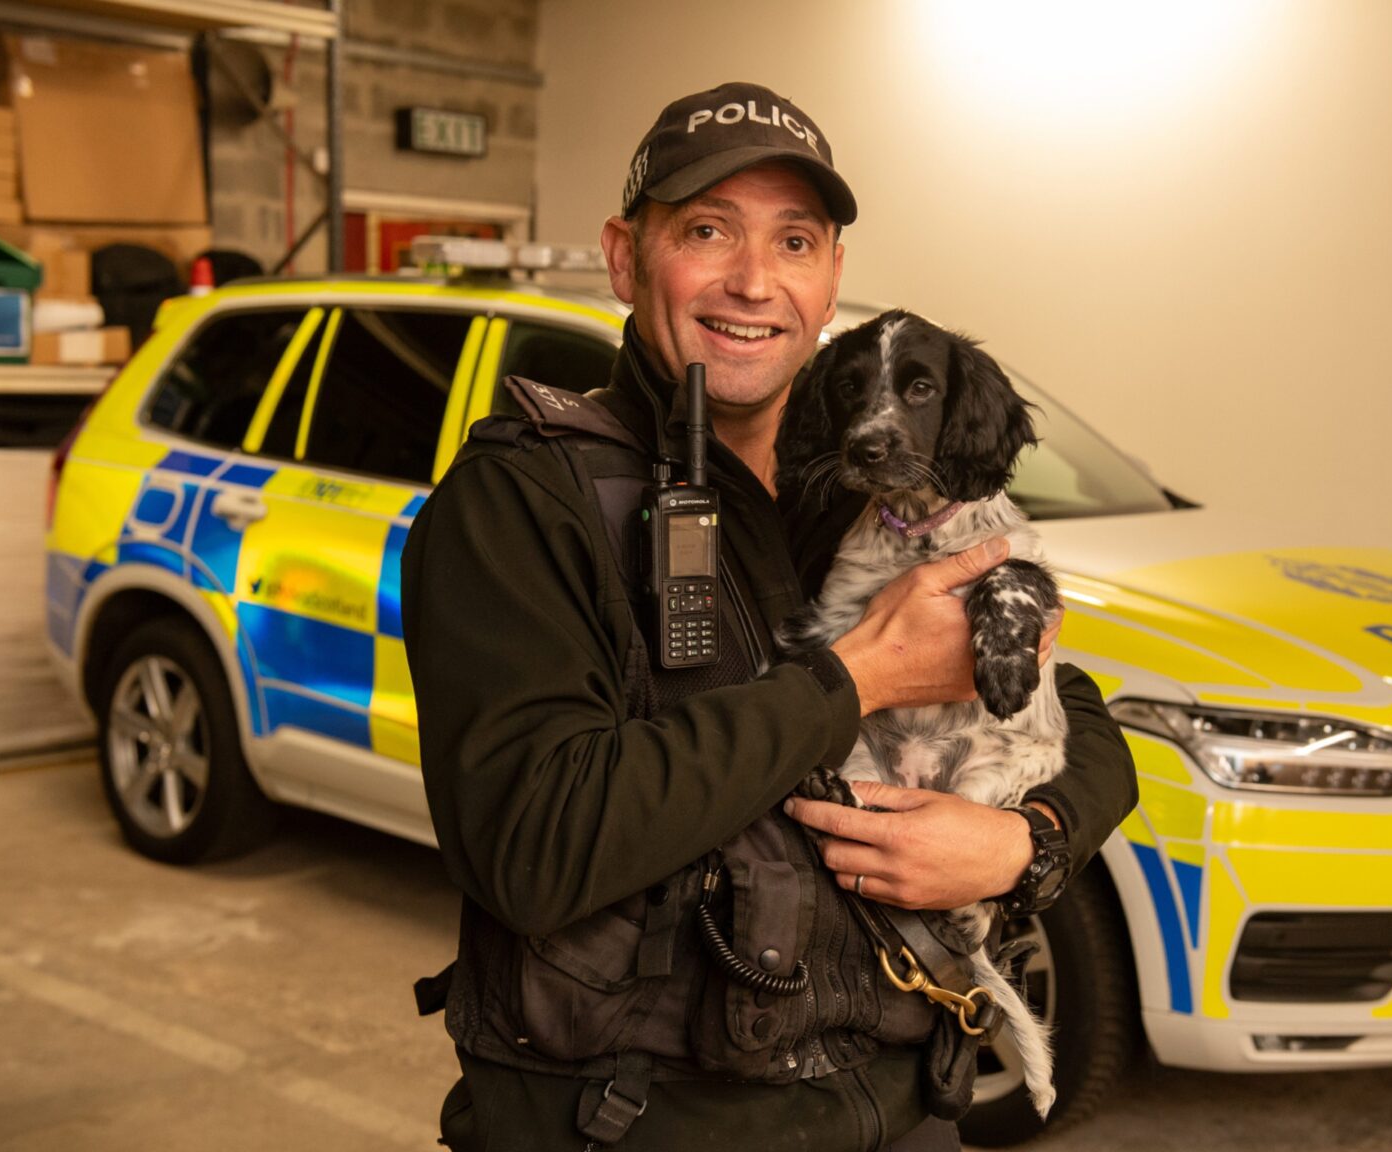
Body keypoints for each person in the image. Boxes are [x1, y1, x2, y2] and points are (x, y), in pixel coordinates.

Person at [400, 81, 1136, 1152]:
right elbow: (535, 850)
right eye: (707, 232)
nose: (753, 280)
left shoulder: (872, 500)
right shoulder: (524, 502)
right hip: (642, 1126)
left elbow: (1082, 722)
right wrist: (858, 681)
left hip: (902, 1106)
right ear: (624, 256)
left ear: (830, 277)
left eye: (794, 241)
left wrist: (1025, 845)